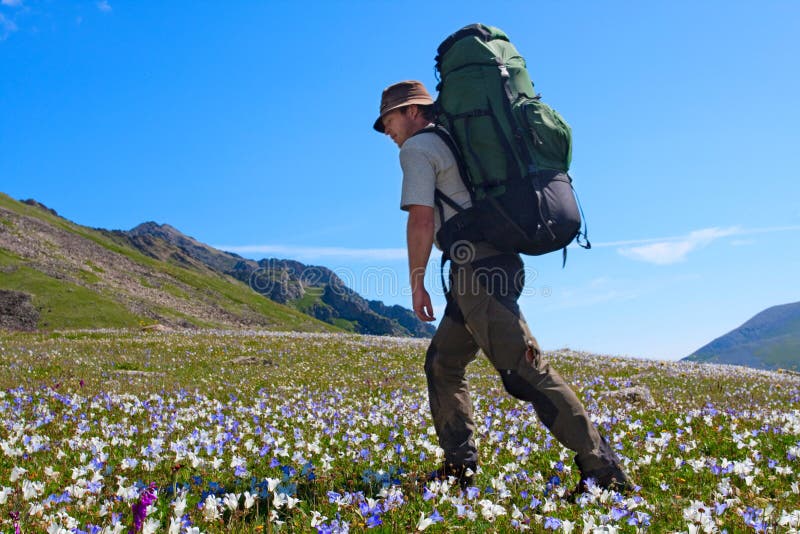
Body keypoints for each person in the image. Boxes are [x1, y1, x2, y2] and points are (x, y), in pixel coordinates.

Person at [373, 80, 632, 497]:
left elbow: (421, 220)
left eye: (389, 117)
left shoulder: (417, 149)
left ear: (414, 112)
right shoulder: (454, 140)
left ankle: (603, 471)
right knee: (443, 364)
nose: (386, 129)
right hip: (484, 267)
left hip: (477, 271)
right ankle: (460, 467)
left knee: (525, 370)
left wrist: (417, 282)